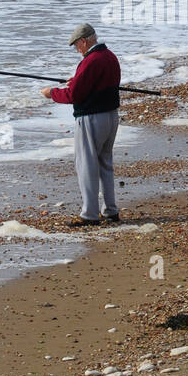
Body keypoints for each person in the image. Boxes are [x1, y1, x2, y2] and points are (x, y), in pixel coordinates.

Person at [40, 23, 121, 226]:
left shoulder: (90, 61)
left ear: (84, 41)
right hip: (111, 116)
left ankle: (89, 215)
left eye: (77, 45)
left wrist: (52, 94)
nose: (77, 49)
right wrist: (77, 80)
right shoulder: (109, 56)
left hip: (92, 118)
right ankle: (110, 211)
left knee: (86, 165)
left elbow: (74, 95)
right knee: (105, 163)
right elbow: (95, 83)